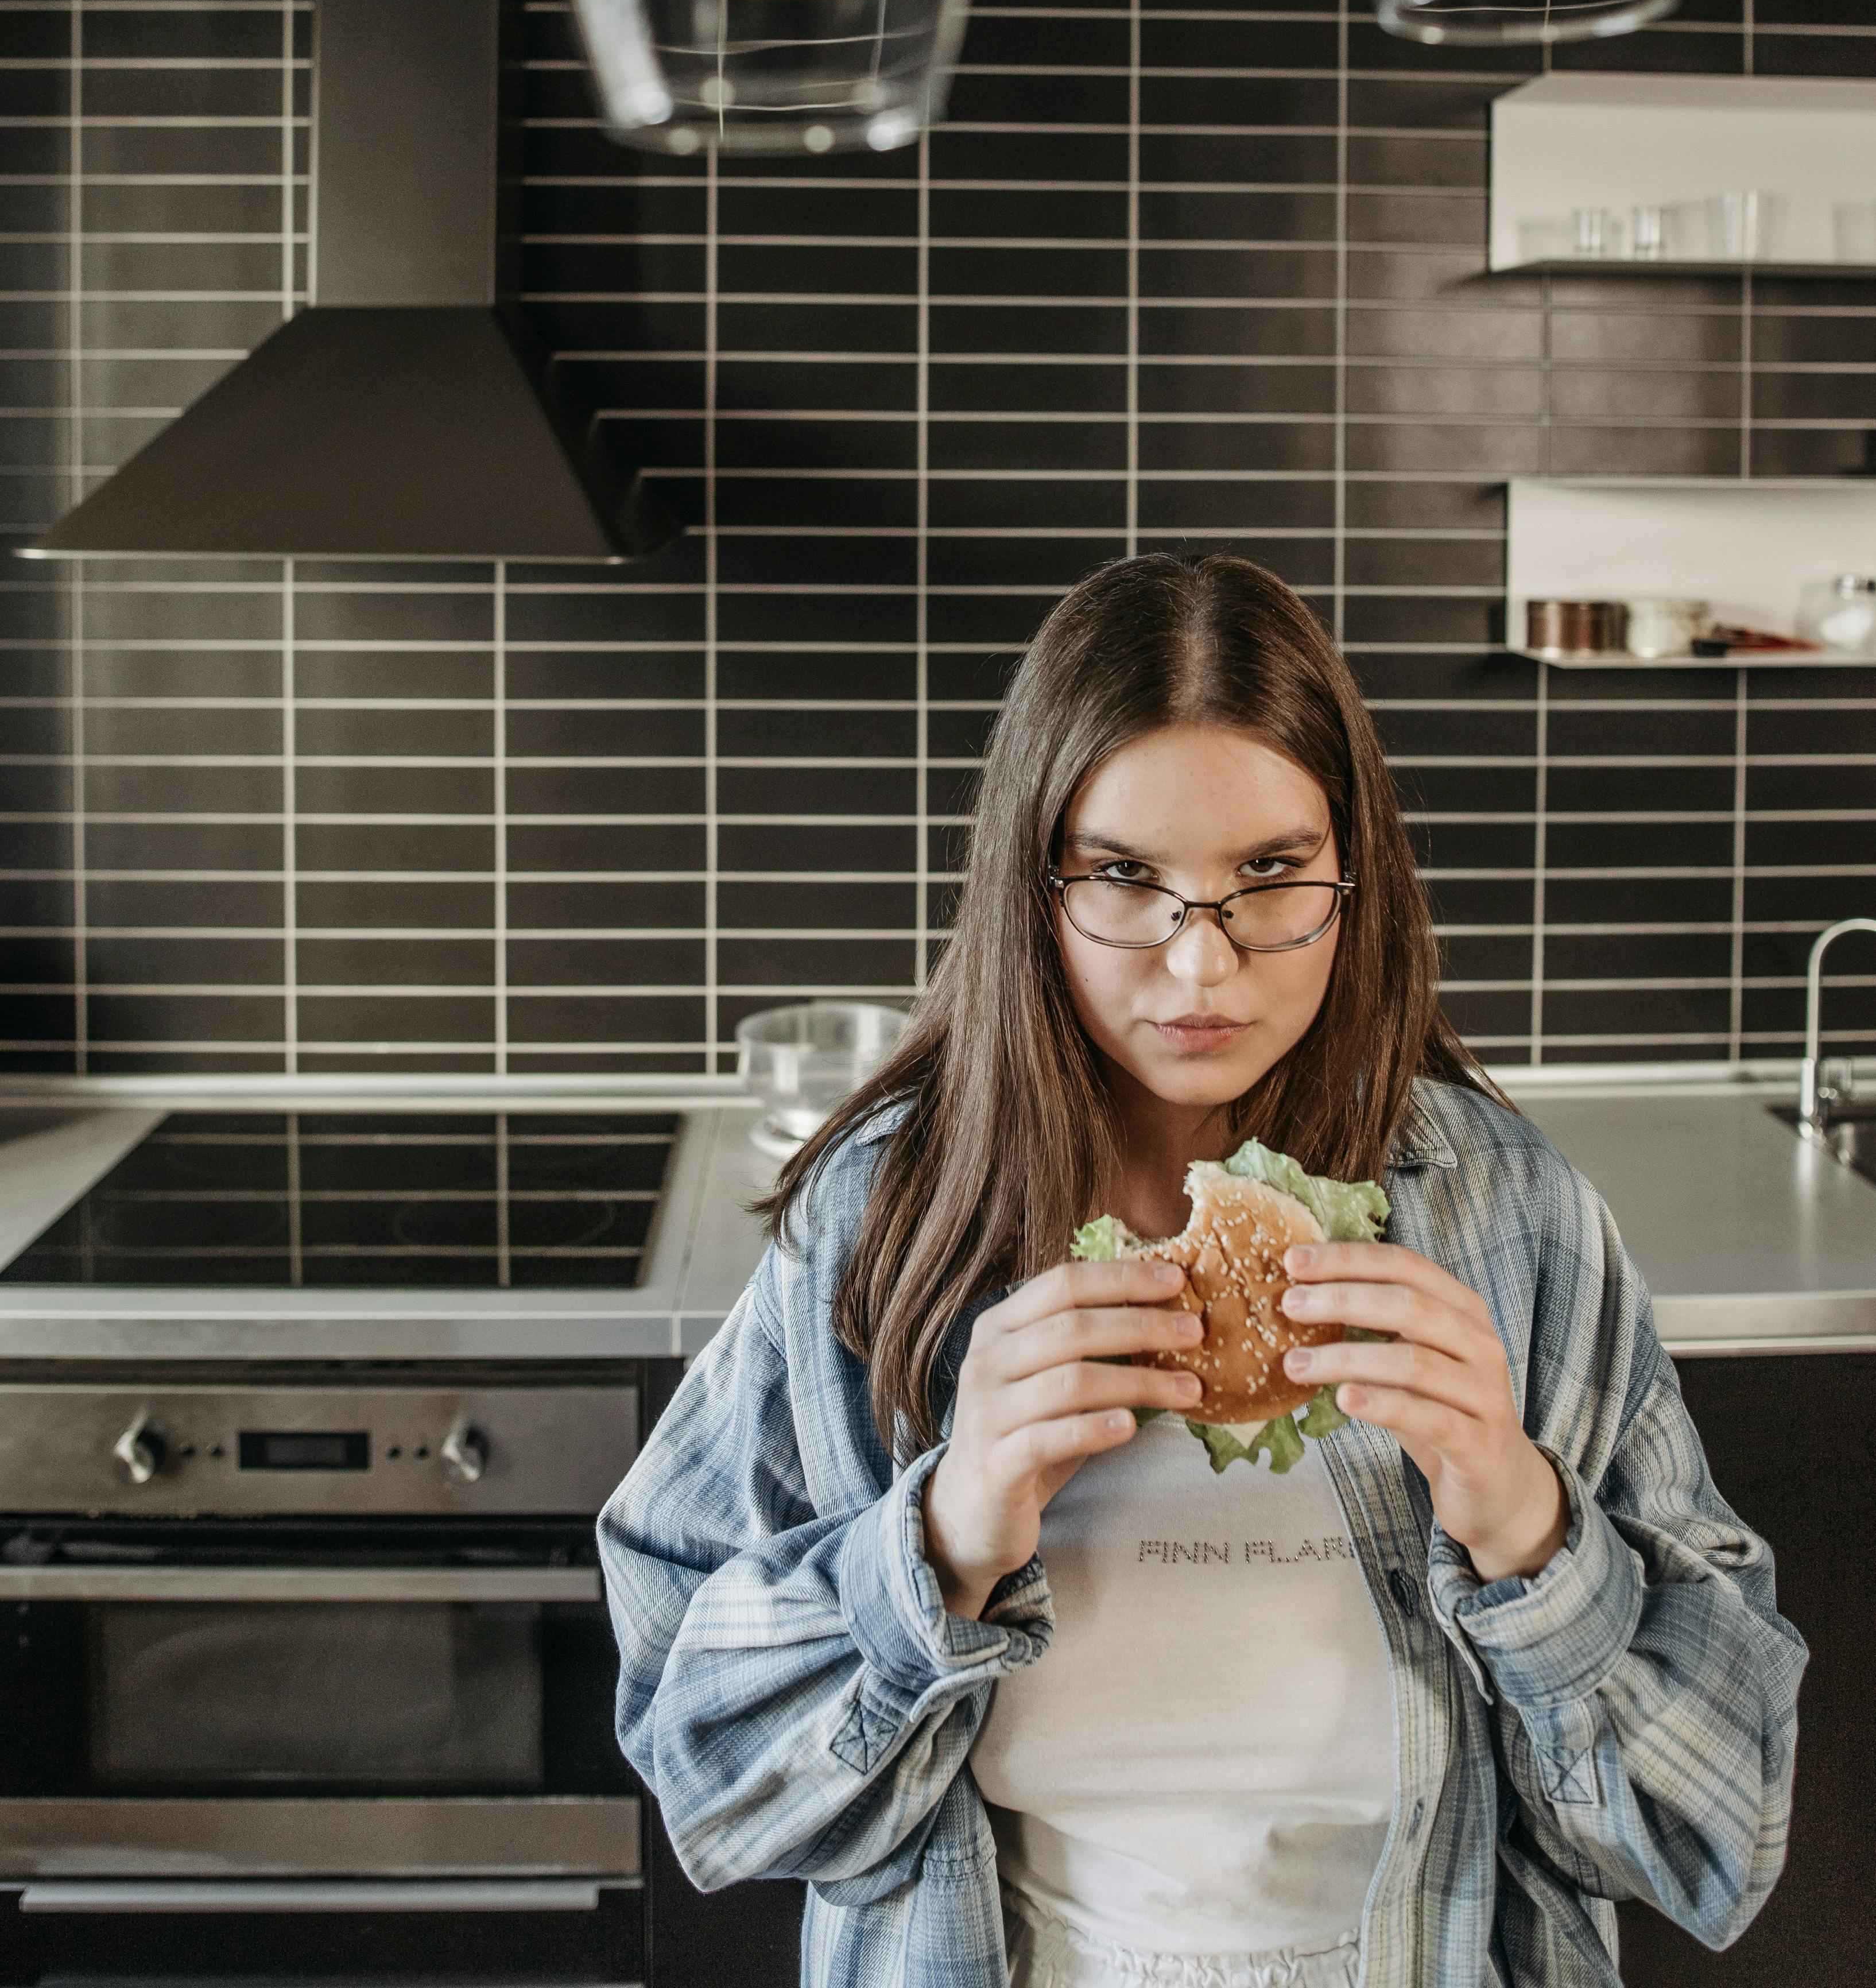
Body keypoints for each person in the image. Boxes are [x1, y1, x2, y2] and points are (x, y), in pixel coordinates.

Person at [599, 552, 1804, 1988]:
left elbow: (1718, 1826)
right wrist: (942, 1539)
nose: (1200, 971)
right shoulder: (885, 1223)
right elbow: (709, 1782)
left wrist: (1526, 1523)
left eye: (1269, 877)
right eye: (1124, 878)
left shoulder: (1512, 1221)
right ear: (1031, 886)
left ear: (1352, 879)